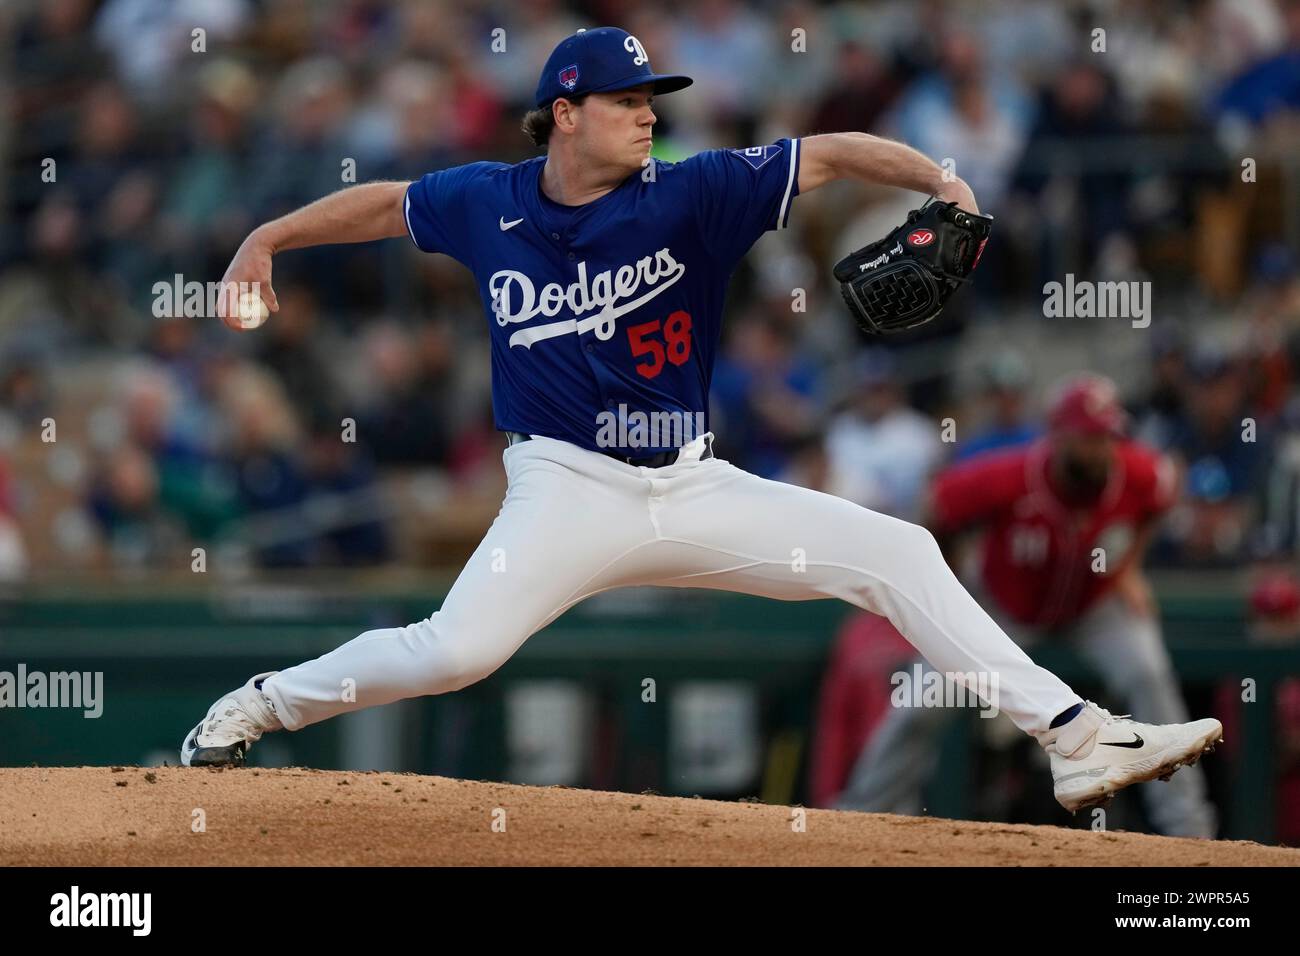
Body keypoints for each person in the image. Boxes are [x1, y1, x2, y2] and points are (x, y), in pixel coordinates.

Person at [182, 27, 1221, 817]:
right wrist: (266, 238)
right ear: (568, 109)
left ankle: (1074, 734)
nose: (648, 114)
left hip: (691, 484)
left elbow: (828, 153)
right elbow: (384, 203)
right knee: (457, 651)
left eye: (653, 98)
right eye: (629, 99)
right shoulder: (484, 200)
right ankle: (266, 702)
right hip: (565, 489)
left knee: (897, 550)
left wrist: (938, 178)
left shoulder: (694, 191)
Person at [834, 376, 1217, 836]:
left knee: (1150, 674)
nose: (1101, 449)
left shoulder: (1141, 474)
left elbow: (1159, 501)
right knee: (921, 700)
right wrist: (947, 580)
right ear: (1058, 437)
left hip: (1095, 609)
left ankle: (1189, 829)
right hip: (1005, 609)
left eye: (1107, 436)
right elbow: (936, 506)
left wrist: (1129, 567)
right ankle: (859, 815)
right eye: (1089, 437)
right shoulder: (1008, 477)